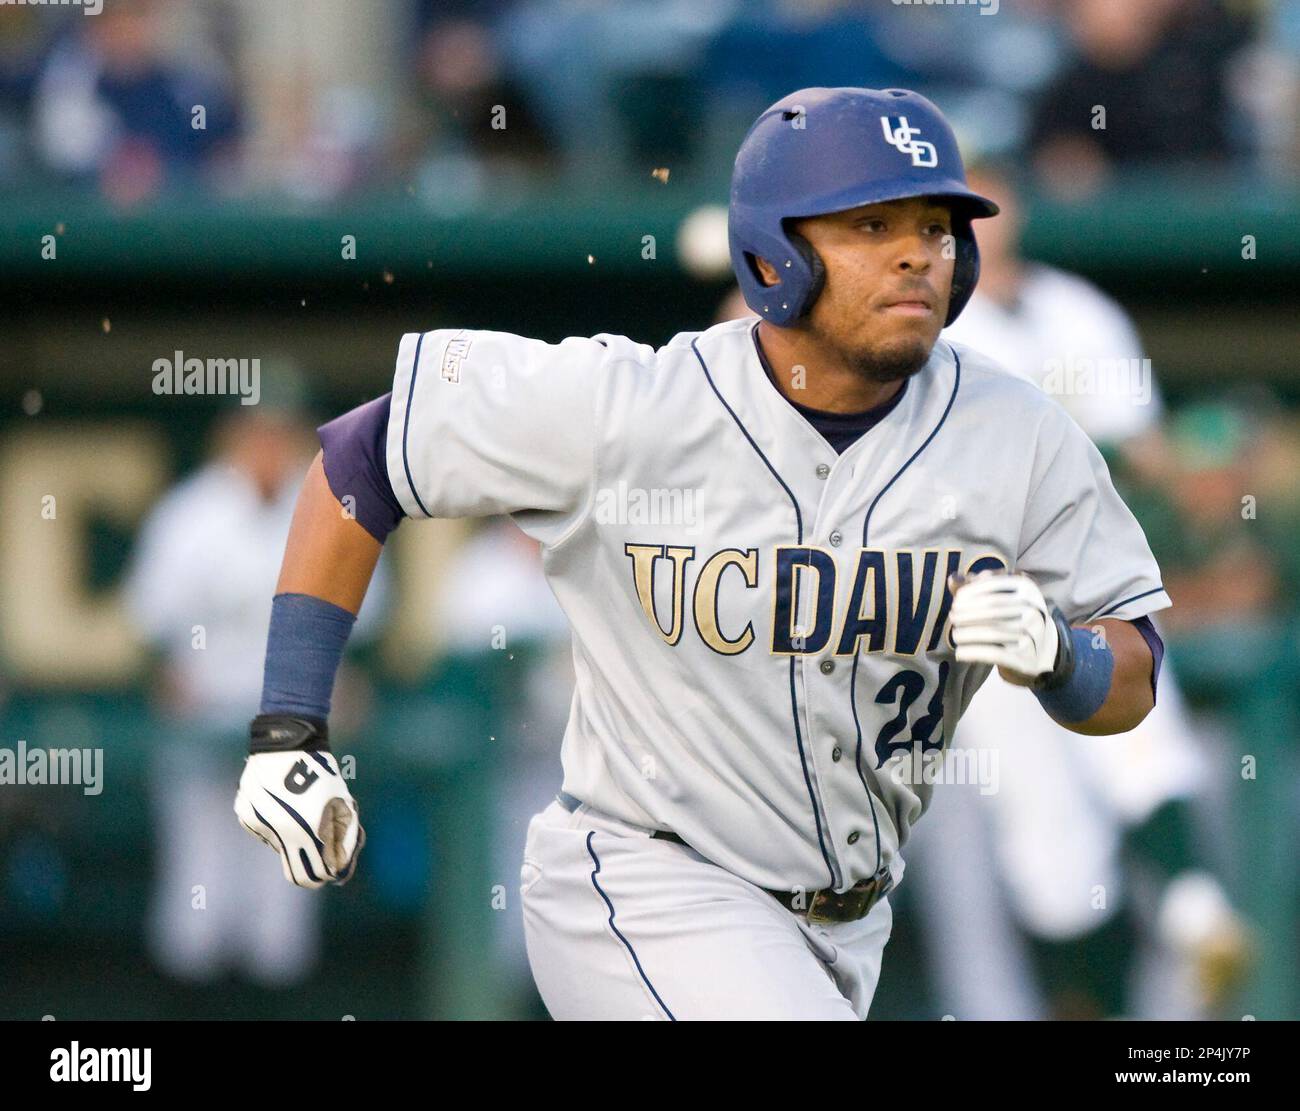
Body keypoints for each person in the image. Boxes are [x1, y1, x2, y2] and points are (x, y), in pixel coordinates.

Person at [233, 87, 1169, 1020]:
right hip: (644, 884)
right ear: (775, 253)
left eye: (936, 226)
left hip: (848, 926)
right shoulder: (636, 404)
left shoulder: (1019, 434)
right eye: (871, 222)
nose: (916, 253)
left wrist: (1062, 657)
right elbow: (364, 457)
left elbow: (1135, 670)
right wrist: (289, 727)